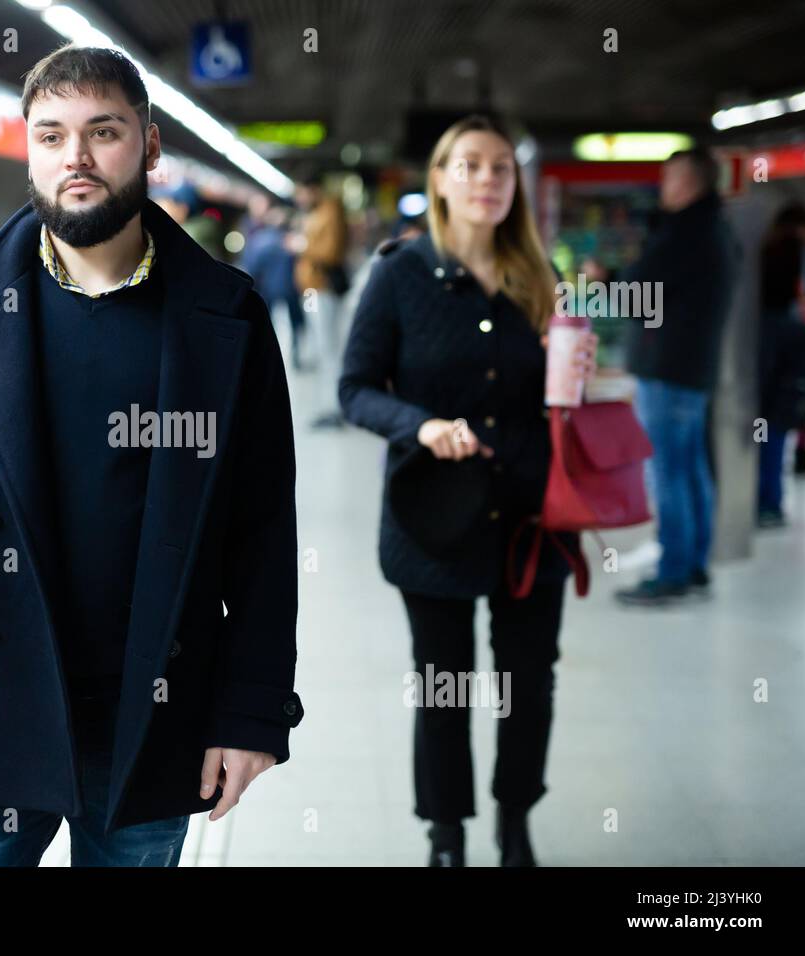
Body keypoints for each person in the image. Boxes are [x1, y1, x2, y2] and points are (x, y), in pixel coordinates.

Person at [0, 44, 303, 867]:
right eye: (51, 135)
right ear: (28, 147)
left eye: (104, 131)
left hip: (150, 718)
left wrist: (251, 711)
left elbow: (263, 535)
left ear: (151, 146)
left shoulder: (227, 319)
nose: (77, 159)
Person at [339, 115, 598, 866]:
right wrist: (419, 426)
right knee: (444, 685)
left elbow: (561, 400)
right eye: (471, 166)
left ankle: (515, 825)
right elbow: (356, 389)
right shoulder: (400, 275)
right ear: (443, 180)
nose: (487, 180)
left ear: (515, 187)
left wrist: (573, 369)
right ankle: (446, 835)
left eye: (501, 169)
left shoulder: (538, 278)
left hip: (531, 518)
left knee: (529, 684)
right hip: (436, 517)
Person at [614, 148, 737, 606]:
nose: (663, 189)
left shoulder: (682, 235)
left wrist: (606, 280)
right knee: (691, 469)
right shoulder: (719, 232)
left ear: (687, 184)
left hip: (666, 368)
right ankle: (694, 564)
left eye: (669, 180)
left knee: (667, 473)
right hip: (697, 368)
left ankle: (672, 572)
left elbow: (635, 294)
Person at [756, 202, 805, 526]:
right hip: (787, 374)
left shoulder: (773, 252)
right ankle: (770, 502)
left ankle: (767, 502)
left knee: (767, 434)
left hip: (773, 371)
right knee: (772, 435)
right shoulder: (791, 254)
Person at [291, 174, 350, 428]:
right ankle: (329, 405)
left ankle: (334, 407)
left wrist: (302, 245)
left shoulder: (330, 213)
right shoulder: (319, 213)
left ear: (313, 189)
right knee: (321, 346)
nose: (299, 198)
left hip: (321, 289)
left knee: (328, 348)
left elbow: (330, 252)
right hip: (312, 289)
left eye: (302, 192)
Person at [239, 194, 306, 369]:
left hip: (268, 289)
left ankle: (270, 357)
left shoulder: (259, 240)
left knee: (269, 324)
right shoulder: (290, 240)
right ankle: (295, 357)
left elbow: (251, 266)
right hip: (291, 288)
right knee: (293, 323)